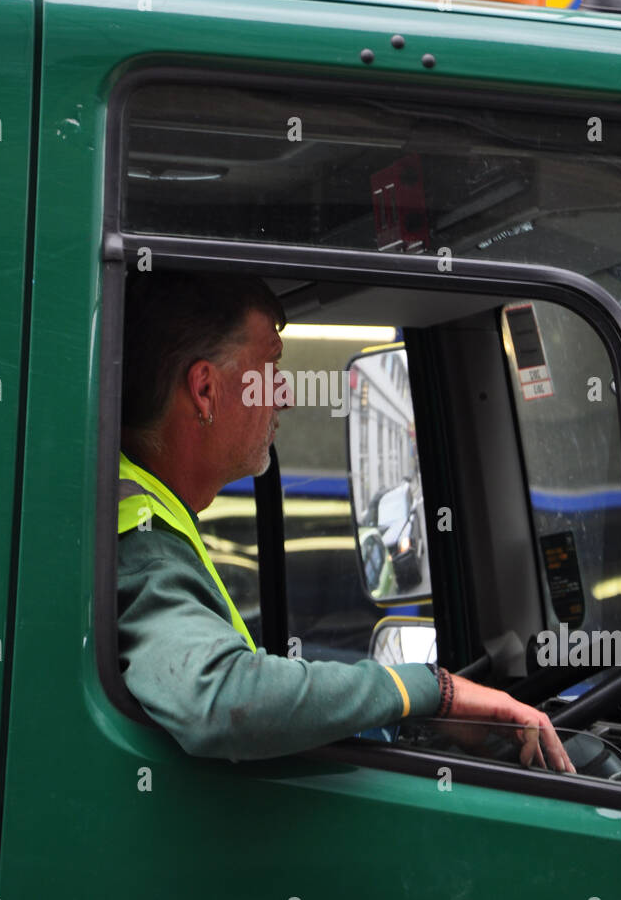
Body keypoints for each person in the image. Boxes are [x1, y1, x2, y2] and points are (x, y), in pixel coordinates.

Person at [117, 267, 574, 772]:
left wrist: (395, 717)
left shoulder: (144, 517)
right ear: (205, 390)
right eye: (271, 369)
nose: (285, 394)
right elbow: (220, 701)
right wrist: (427, 690)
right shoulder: (139, 541)